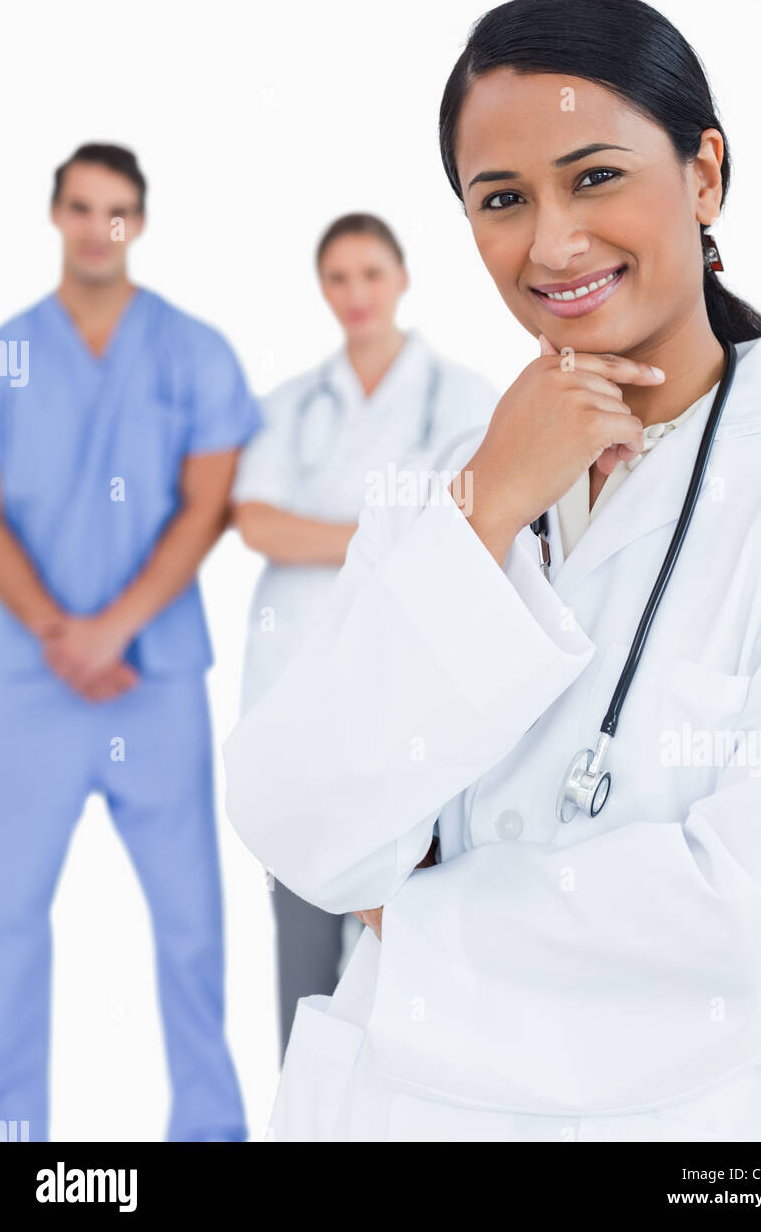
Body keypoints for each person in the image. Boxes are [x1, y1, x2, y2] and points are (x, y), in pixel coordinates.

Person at [223, 0, 761, 1142]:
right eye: (500, 199)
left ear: (703, 174)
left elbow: (753, 934)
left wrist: (403, 921)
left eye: (594, 176)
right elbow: (293, 818)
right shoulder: (451, 485)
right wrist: (486, 508)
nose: (552, 241)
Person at [0, 143, 259, 1142]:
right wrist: (60, 631)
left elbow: (205, 507)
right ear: (54, 212)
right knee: (4, 924)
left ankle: (208, 1133)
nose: (99, 227)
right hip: (35, 678)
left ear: (137, 224)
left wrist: (112, 629)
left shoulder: (193, 350)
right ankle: (8, 1133)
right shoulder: (5, 353)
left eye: (119, 211)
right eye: (82, 206)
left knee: (189, 925)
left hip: (155, 676)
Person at [231, 212, 498, 1061]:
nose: (355, 294)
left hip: (409, 713)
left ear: (402, 279)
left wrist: (347, 530)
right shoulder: (291, 403)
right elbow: (258, 524)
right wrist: (393, 531)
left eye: (370, 275)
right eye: (338, 278)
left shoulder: (463, 399)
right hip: (298, 707)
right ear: (322, 289)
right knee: (305, 970)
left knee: (418, 968)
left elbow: (481, 527)